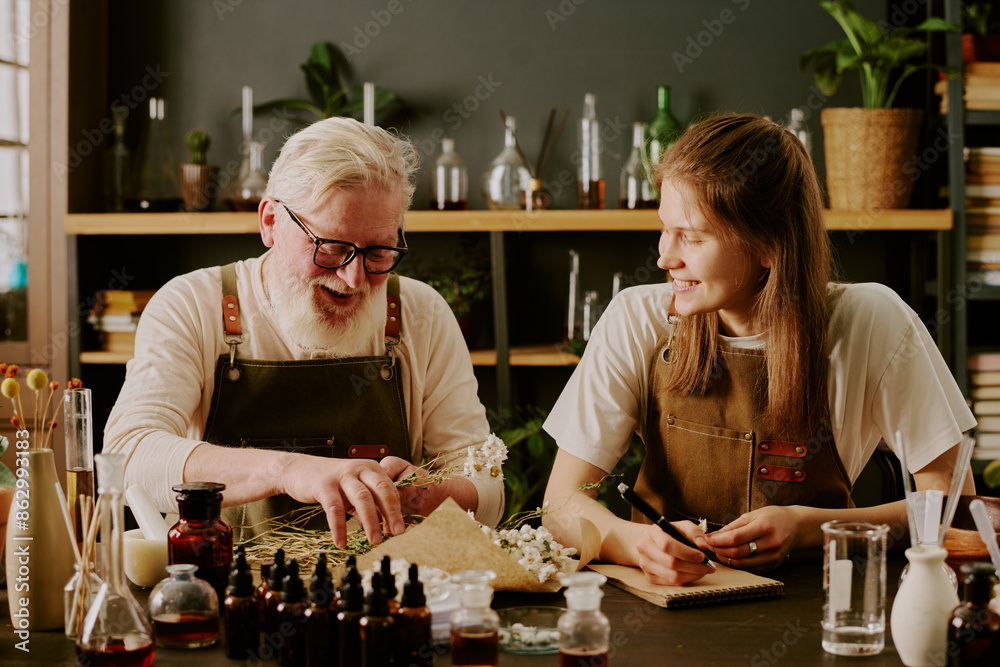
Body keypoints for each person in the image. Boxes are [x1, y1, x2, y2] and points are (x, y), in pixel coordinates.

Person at [542, 113, 976, 586]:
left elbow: (955, 504)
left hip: (820, 604)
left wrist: (811, 529)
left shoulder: (870, 321)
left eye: (692, 235)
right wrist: (635, 543)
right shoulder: (636, 320)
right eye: (664, 228)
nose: (665, 256)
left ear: (769, 244)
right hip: (665, 603)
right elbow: (559, 504)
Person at [104, 117, 503, 546]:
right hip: (226, 588)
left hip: (381, 592)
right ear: (270, 221)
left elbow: (487, 486)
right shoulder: (191, 306)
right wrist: (289, 470)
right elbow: (130, 456)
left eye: (380, 252)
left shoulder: (419, 313)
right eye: (331, 248)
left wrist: (428, 494)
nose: (353, 279)